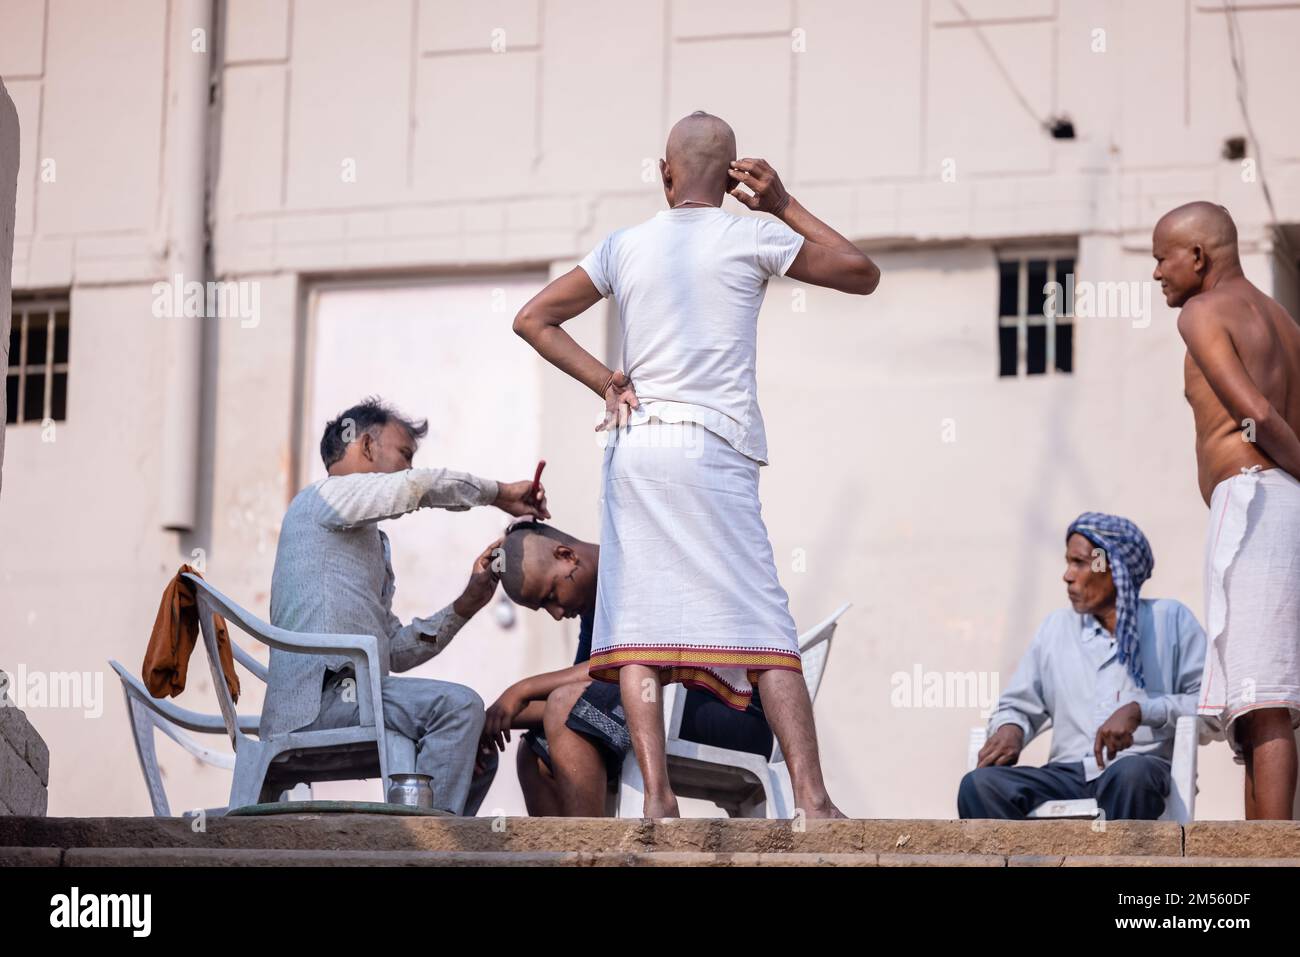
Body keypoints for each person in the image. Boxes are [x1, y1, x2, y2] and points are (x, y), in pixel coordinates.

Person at [512, 110, 879, 818]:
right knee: (766, 628)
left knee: (637, 634)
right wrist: (783, 204)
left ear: (665, 172)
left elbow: (533, 317)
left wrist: (606, 381)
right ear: (734, 174)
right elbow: (861, 273)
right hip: (713, 447)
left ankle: (656, 798)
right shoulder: (754, 231)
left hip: (638, 446)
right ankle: (813, 799)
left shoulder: (625, 244)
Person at [265, 396, 548, 815]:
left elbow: (394, 652)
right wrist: (501, 494)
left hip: (362, 700)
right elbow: (420, 488)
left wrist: (465, 605)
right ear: (364, 446)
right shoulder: (323, 498)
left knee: (474, 754)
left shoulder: (369, 540)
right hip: (318, 706)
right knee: (461, 708)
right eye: (404, 455)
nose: (409, 469)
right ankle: (425, 852)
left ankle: (428, 848)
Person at [1156, 201, 1300, 819]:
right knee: (1253, 697)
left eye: (1162, 257)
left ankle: (1268, 855)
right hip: (1276, 501)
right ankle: (1257, 847)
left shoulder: (1201, 312)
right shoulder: (1286, 322)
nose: (1157, 272)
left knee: (1263, 697)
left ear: (1197, 256)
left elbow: (1260, 417)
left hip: (1254, 501)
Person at [479, 521, 774, 816]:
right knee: (533, 753)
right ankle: (568, 857)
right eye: (544, 608)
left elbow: (616, 670)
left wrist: (520, 690)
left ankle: (593, 856)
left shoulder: (635, 566)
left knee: (566, 707)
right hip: (667, 709)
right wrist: (491, 722)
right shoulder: (594, 604)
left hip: (735, 712)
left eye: (551, 597)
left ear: (566, 555)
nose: (556, 614)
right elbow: (581, 695)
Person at [958, 513, 1206, 821]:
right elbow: (1017, 706)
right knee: (980, 786)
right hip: (1066, 773)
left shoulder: (1171, 620)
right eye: (1068, 562)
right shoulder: (1056, 628)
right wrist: (1011, 729)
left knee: (1130, 774)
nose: (1067, 575)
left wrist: (1142, 710)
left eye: (1079, 562)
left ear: (1114, 567)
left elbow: (1212, 707)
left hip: (1137, 768)